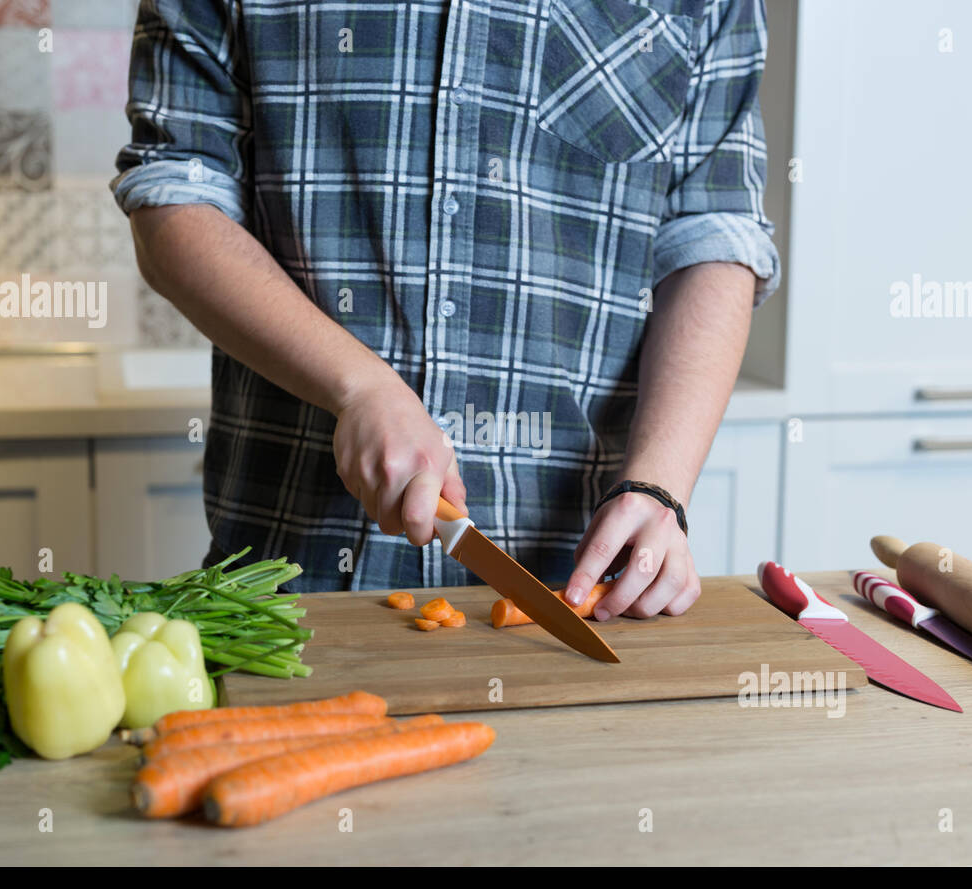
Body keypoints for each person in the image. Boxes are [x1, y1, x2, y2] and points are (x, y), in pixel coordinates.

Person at [111, 0, 779, 621]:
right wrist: (359, 385)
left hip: (575, 588)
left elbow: (714, 234)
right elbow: (176, 192)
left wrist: (659, 487)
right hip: (291, 586)